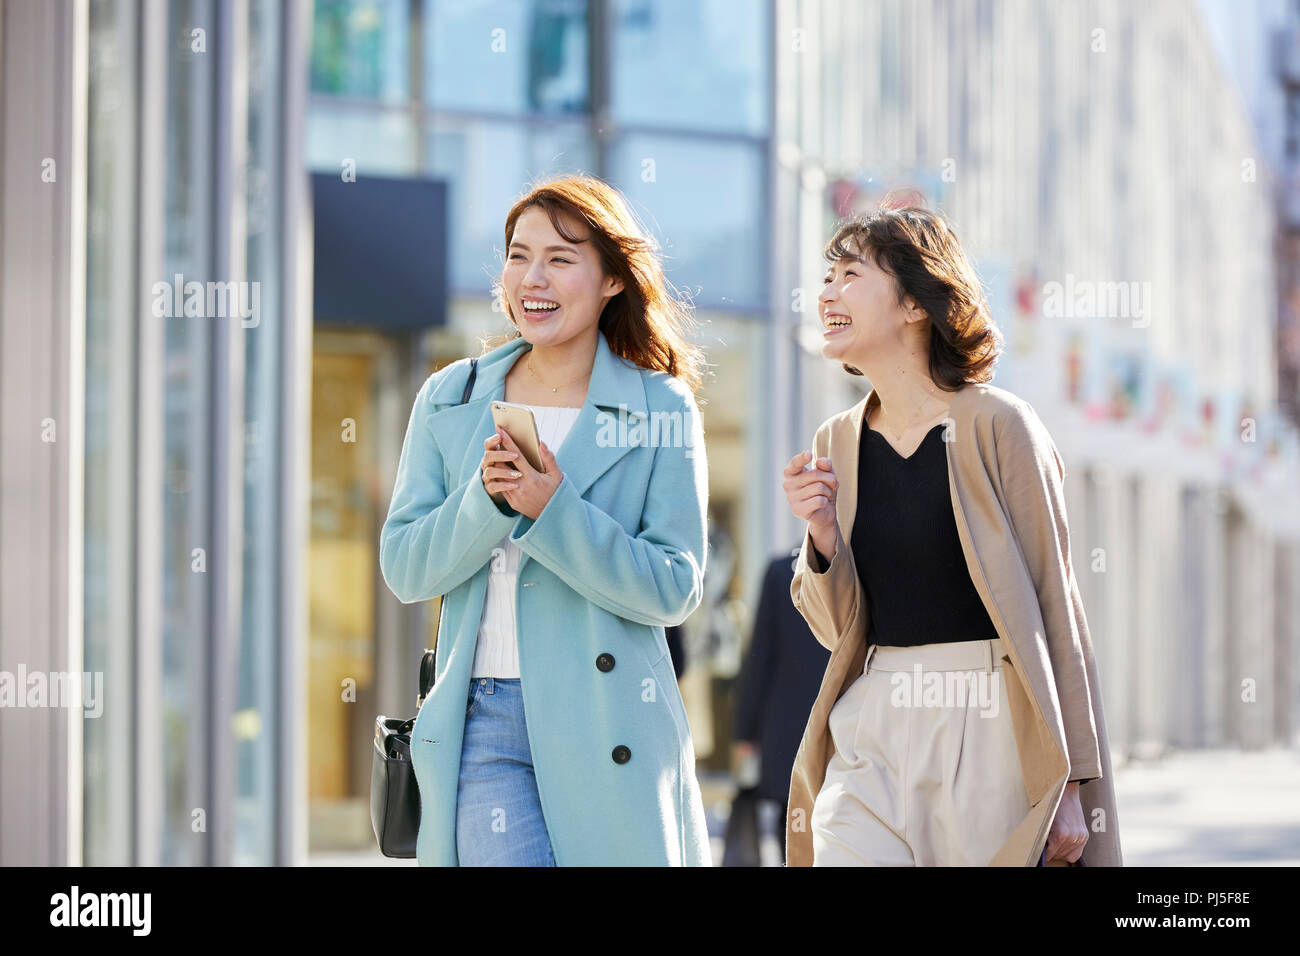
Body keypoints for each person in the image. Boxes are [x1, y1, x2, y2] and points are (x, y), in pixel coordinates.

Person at [380, 174, 711, 866]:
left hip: (609, 715)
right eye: (517, 254)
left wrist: (552, 513)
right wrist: (484, 502)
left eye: (561, 258)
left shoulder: (660, 408)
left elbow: (673, 586)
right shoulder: (453, 396)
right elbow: (408, 570)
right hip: (483, 721)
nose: (533, 277)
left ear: (613, 280)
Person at [781, 201, 1122, 867]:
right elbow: (836, 630)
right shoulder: (836, 442)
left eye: (849, 274)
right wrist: (821, 536)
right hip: (871, 717)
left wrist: (1075, 780)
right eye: (827, 278)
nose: (827, 292)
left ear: (914, 303)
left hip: (986, 717)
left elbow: (1058, 605)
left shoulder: (999, 425)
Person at [729, 548, 830, 864]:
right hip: (842, 724)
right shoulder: (862, 561)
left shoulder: (780, 571)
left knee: (793, 830)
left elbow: (760, 655)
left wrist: (745, 731)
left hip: (789, 730)